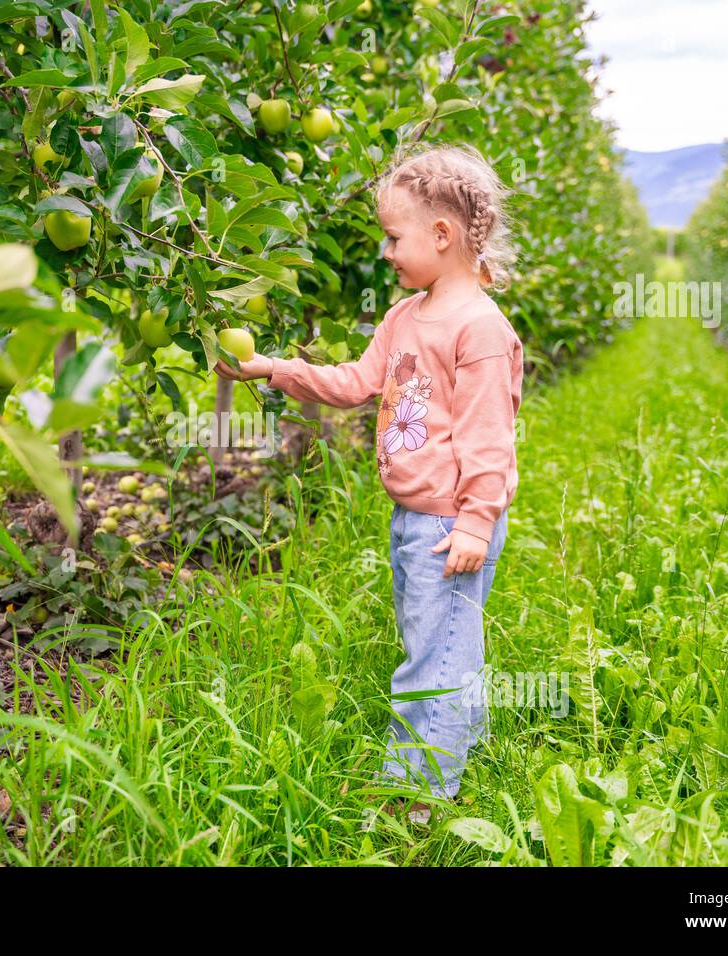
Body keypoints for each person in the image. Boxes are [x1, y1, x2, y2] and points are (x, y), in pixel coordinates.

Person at [216, 143, 523, 827]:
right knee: (442, 645)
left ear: (442, 236)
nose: (385, 253)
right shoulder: (405, 318)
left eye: (393, 238)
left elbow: (487, 437)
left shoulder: (480, 330)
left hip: (451, 523)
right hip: (415, 519)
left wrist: (476, 521)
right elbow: (357, 383)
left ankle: (417, 794)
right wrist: (275, 368)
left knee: (432, 658)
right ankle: (452, 753)